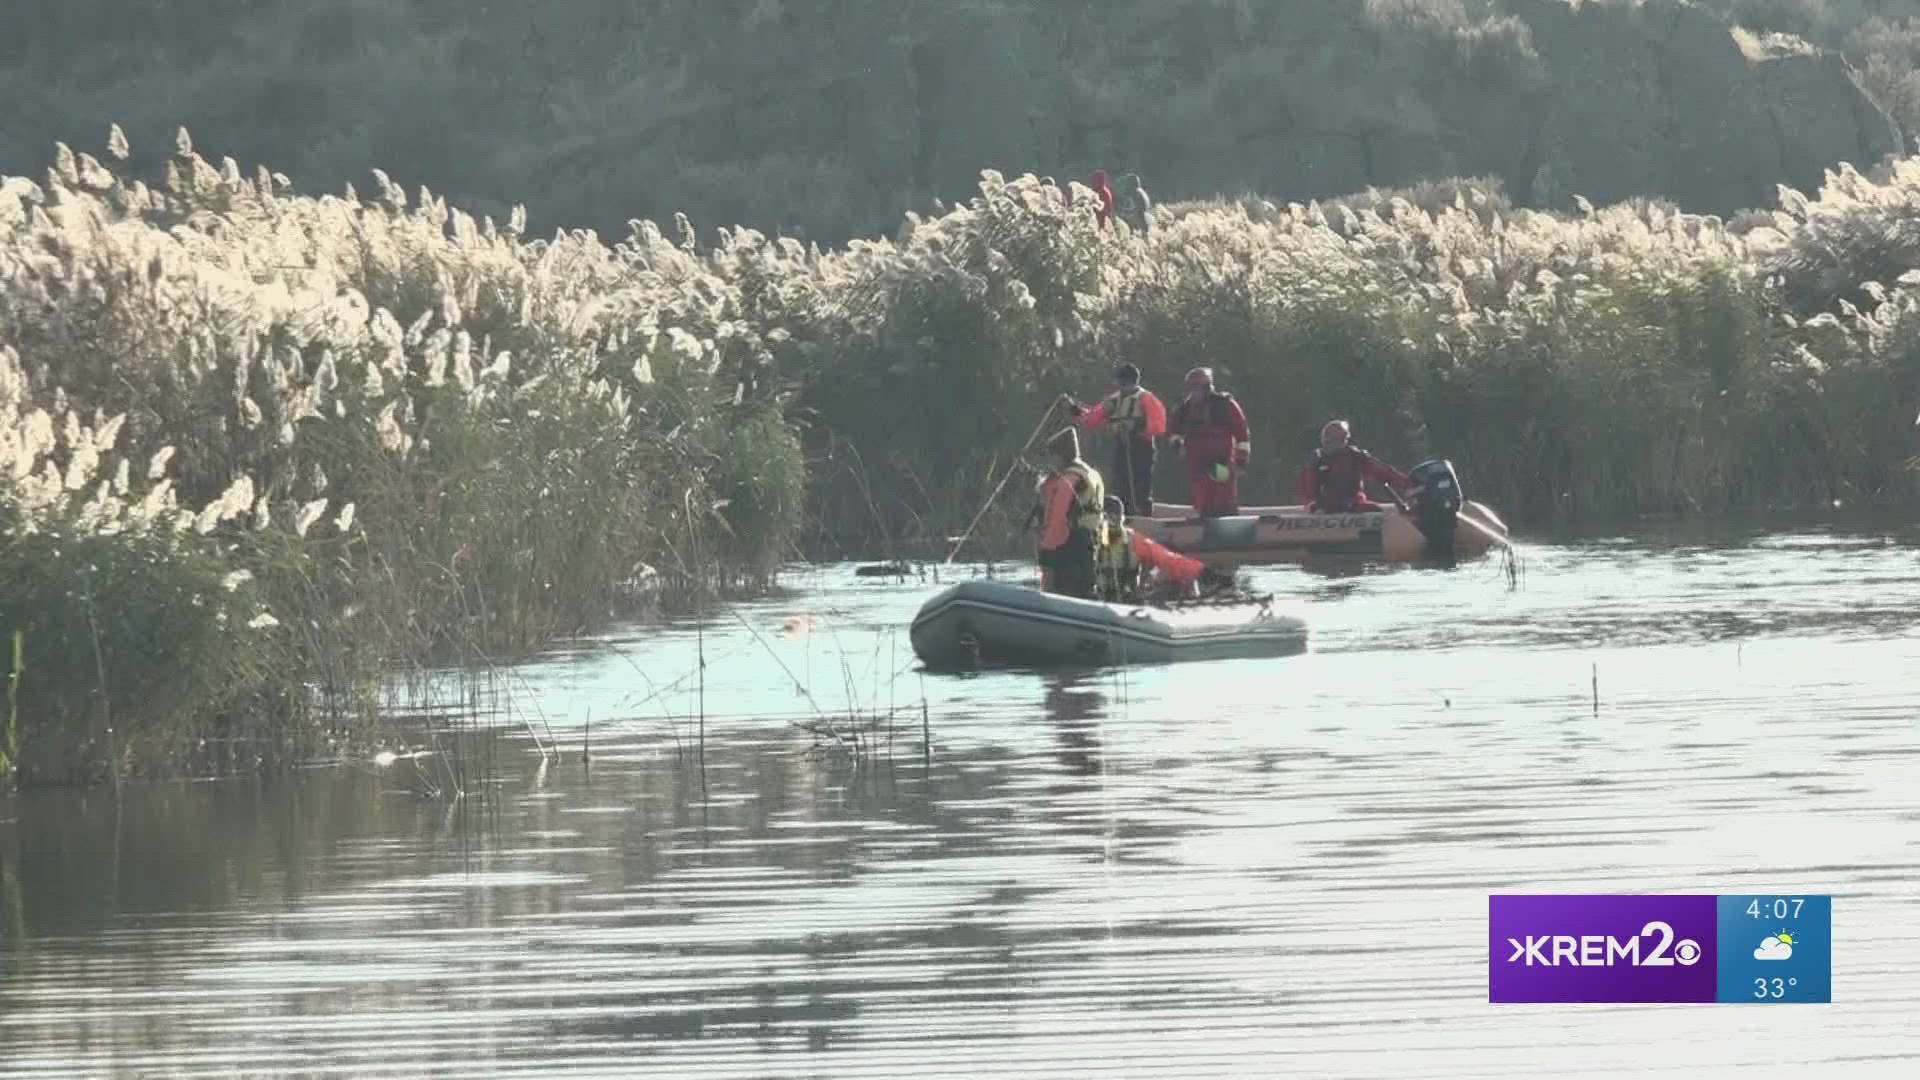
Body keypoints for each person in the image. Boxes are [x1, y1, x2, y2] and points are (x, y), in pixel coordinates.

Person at [1061, 362, 1166, 517]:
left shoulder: (1146, 398)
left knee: (1141, 481)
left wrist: (1138, 429)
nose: (1121, 387)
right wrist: (1076, 411)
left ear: (1132, 382)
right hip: (1121, 444)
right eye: (1120, 383)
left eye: (1124, 383)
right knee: (1119, 479)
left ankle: (1143, 513)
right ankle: (1123, 512)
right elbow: (1092, 417)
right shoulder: (1114, 400)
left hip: (1140, 445)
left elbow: (1158, 424)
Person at [1096, 496, 1230, 604]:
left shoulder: (1134, 541)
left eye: (1116, 516)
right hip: (1095, 600)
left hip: (1124, 602)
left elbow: (1169, 560)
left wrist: (1204, 573)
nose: (1112, 521)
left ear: (1122, 518)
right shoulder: (1090, 539)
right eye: (1109, 516)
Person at [1167, 367, 1250, 517]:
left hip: (1220, 460)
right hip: (1196, 461)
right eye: (1191, 389)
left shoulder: (1224, 404)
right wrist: (1178, 446)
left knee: (1223, 495)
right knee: (1203, 496)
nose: (1194, 393)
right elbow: (1174, 431)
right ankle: (1205, 518)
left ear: (1206, 388)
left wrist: (1241, 459)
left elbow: (1242, 433)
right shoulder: (1184, 409)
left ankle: (1227, 520)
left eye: (1197, 388)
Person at [1036, 427, 1106, 599]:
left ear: (1061, 455)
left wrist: (1046, 552)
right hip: (1092, 541)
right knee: (1085, 588)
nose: (1049, 462)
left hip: (1070, 545)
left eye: (1051, 456)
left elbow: (1057, 519)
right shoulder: (1091, 474)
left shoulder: (1067, 480)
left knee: (1065, 591)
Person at [1298, 419, 1413, 513]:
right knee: (1375, 511)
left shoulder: (1355, 457)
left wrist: (1409, 484)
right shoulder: (1316, 460)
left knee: (1374, 510)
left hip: (1350, 507)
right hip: (1329, 509)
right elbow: (1308, 492)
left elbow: (1384, 473)